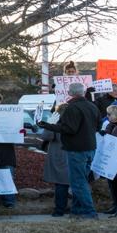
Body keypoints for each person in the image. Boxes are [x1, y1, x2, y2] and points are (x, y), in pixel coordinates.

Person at [38, 82, 99, 219]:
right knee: (82, 181)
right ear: (83, 92)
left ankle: (89, 212)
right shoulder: (92, 106)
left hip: (76, 149)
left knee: (78, 183)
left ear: (70, 93)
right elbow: (97, 125)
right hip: (90, 148)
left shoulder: (72, 108)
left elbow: (69, 129)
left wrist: (49, 125)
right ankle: (77, 211)